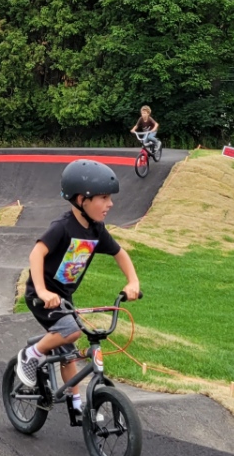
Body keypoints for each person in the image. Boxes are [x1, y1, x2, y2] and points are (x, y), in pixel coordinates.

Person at [15, 160, 142, 422]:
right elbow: (36, 254)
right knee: (70, 331)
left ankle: (74, 403)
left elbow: (120, 253)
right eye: (104, 198)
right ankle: (31, 355)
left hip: (64, 298)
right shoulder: (62, 227)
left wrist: (132, 282)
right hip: (43, 298)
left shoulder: (96, 229)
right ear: (82, 200)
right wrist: (41, 290)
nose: (110, 204)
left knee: (69, 351)